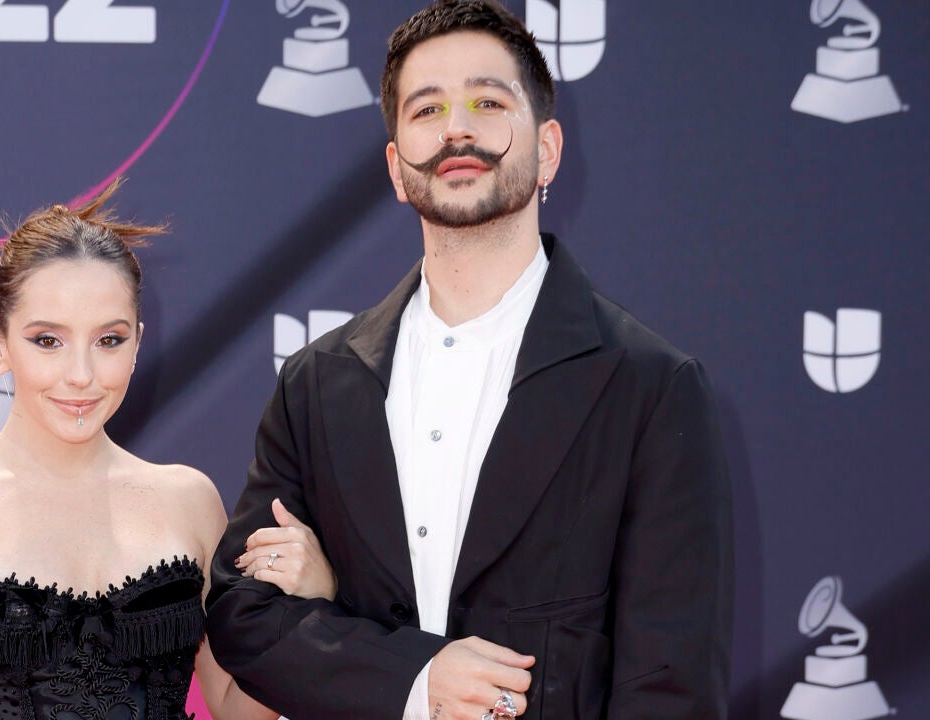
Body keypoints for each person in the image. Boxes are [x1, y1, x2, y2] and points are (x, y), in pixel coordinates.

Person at [205, 1, 734, 719]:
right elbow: (245, 615)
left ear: (547, 149)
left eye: (488, 101)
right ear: (396, 167)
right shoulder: (317, 383)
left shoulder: (650, 387)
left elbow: (670, 689)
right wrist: (416, 681)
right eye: (427, 109)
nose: (457, 127)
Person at [0, 179, 338, 720]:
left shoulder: (189, 500)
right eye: (48, 340)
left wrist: (308, 604)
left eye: (108, 340)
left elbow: (237, 709)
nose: (81, 375)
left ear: (138, 342)